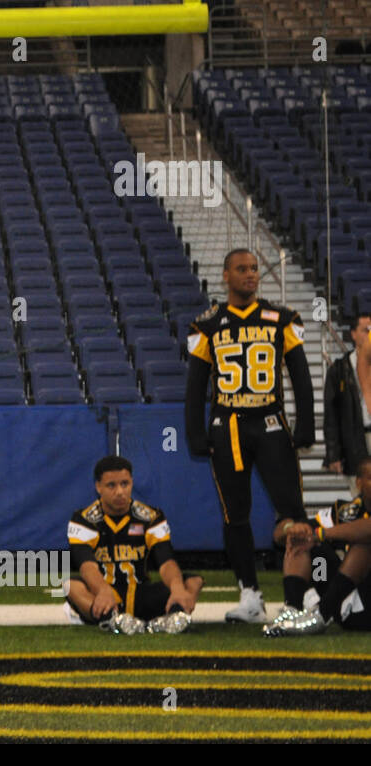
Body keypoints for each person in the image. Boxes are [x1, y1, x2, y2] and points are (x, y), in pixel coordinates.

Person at [184, 248, 314, 623]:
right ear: (225, 275)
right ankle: (250, 594)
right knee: (235, 514)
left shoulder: (282, 319)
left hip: (271, 422)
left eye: (255, 268)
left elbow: (301, 376)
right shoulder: (206, 324)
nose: (251, 275)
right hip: (228, 426)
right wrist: (195, 431)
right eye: (242, 269)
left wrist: (305, 423)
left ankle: (301, 593)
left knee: (291, 507)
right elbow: (195, 386)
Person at [64, 455, 203, 634]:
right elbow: (86, 566)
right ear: (98, 487)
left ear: (132, 483)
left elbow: (165, 561)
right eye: (111, 485)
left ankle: (174, 618)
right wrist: (102, 590)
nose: (120, 492)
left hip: (141, 592)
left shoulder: (150, 516)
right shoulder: (84, 519)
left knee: (193, 581)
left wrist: (176, 588)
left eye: (125, 483)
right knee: (70, 585)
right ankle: (111, 621)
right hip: (105, 595)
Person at [264, 457, 371, 635]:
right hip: (340, 599)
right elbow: (278, 534)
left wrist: (320, 534)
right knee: (305, 542)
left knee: (363, 547)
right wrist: (293, 529)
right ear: (358, 483)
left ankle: (321, 614)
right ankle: (293, 609)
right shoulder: (346, 510)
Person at [323, 312, 371, 496]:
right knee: (360, 494)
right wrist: (333, 454)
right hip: (354, 439)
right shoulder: (339, 370)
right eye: (366, 330)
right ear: (353, 334)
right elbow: (331, 415)